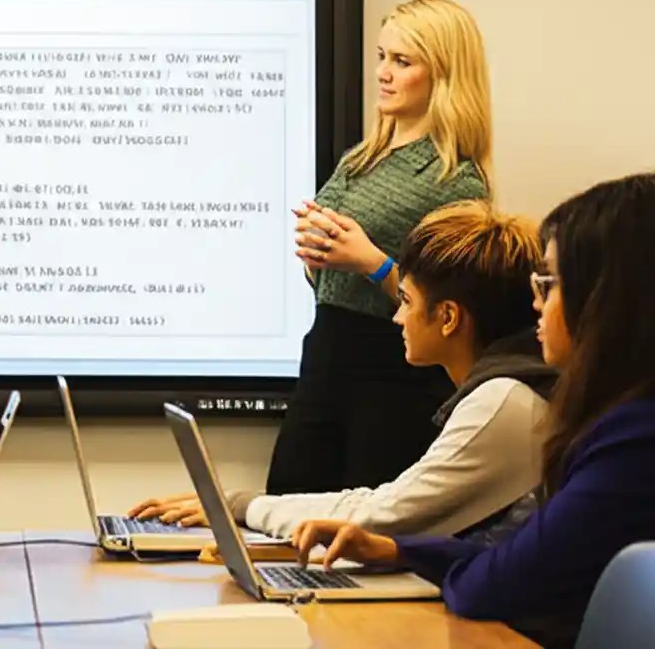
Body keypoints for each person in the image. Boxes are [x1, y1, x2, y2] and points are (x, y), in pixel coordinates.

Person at [291, 173, 655, 648]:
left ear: (604, 300)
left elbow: (494, 583)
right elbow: (512, 553)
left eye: (549, 283)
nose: (536, 303)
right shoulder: (616, 420)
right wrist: (400, 550)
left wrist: (415, 552)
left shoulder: (632, 437)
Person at [131, 201, 554, 542]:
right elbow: (382, 502)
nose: (397, 319)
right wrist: (242, 505)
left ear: (447, 318)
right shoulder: (503, 391)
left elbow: (383, 515)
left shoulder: (503, 400)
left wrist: (243, 507)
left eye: (405, 301)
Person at [267, 0, 495, 494]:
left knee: (357, 539)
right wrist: (317, 255)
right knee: (284, 513)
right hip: (327, 355)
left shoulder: (457, 180)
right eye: (381, 56)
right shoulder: (362, 158)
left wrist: (369, 262)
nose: (383, 73)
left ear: (443, 74)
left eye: (402, 61)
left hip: (391, 377)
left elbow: (453, 310)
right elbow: (329, 277)